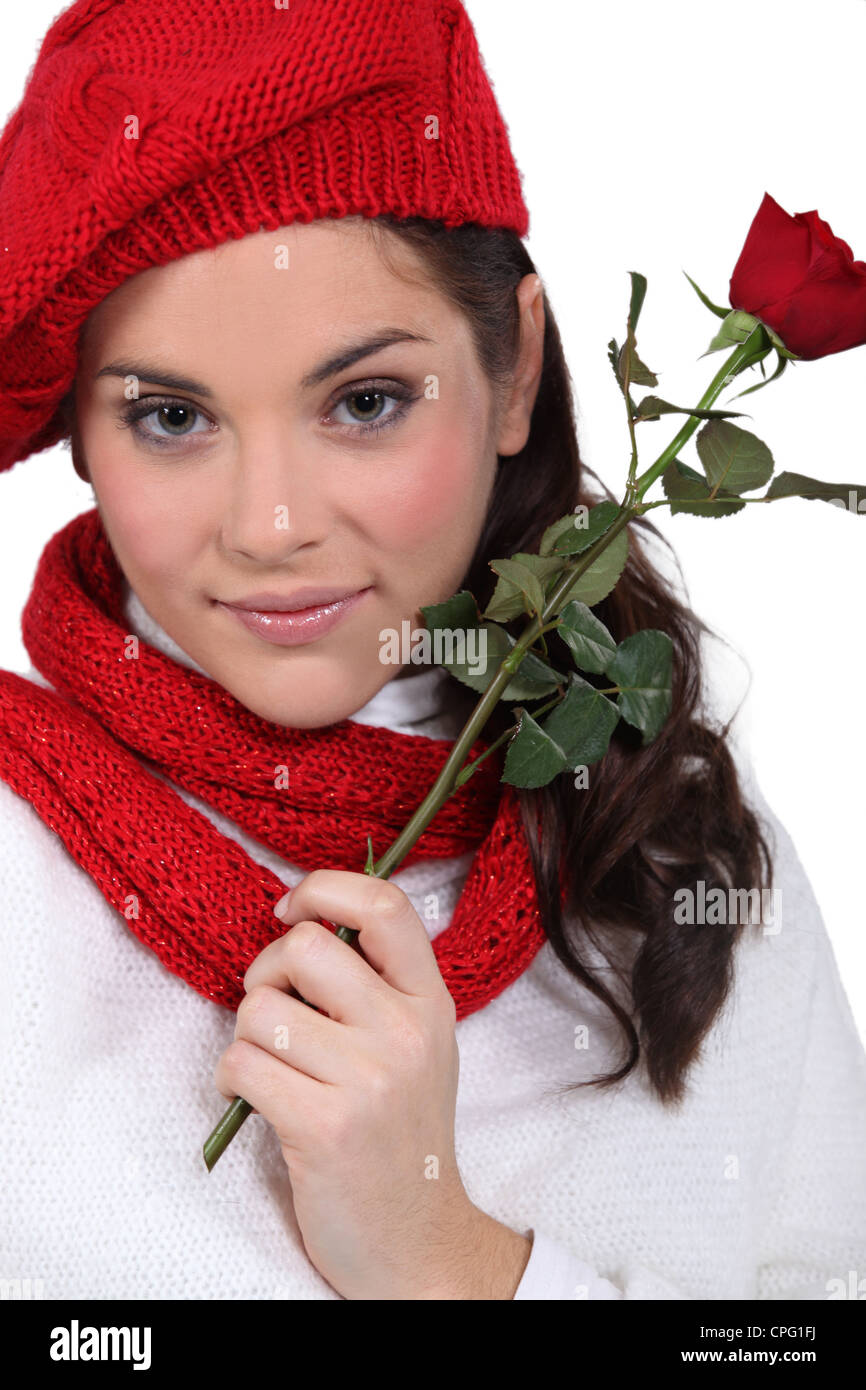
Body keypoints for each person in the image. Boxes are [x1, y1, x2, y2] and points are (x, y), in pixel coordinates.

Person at [0, 0, 863, 1302]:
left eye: (365, 401)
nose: (273, 524)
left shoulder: (688, 858)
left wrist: (448, 1264)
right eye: (171, 415)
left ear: (512, 372)